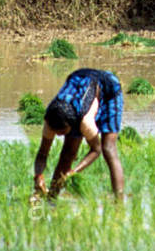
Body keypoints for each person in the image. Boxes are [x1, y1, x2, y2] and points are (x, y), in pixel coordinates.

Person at [32, 68, 125, 199]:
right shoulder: (50, 120)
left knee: (108, 148)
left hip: (108, 87)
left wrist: (73, 172)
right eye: (56, 133)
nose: (59, 136)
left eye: (62, 132)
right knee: (67, 153)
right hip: (79, 82)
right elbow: (42, 153)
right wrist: (38, 175)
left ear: (72, 124)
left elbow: (96, 150)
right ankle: (52, 199)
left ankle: (119, 201)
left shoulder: (84, 121)